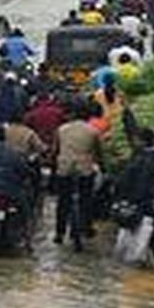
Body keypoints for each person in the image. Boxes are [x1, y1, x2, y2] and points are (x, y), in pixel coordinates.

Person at [111, 124, 154, 265]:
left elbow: (136, 180)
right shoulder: (151, 155)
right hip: (142, 199)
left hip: (138, 198)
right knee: (138, 229)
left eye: (135, 139)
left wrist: (128, 197)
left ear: (142, 141)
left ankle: (136, 258)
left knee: (135, 229)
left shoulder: (143, 158)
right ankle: (140, 258)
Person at [55, 102, 102, 251]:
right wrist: (102, 165)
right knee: (86, 199)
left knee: (63, 201)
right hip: (84, 170)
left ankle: (59, 232)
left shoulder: (62, 129)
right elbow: (98, 152)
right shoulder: (93, 131)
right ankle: (87, 227)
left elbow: (56, 150)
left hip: (65, 169)